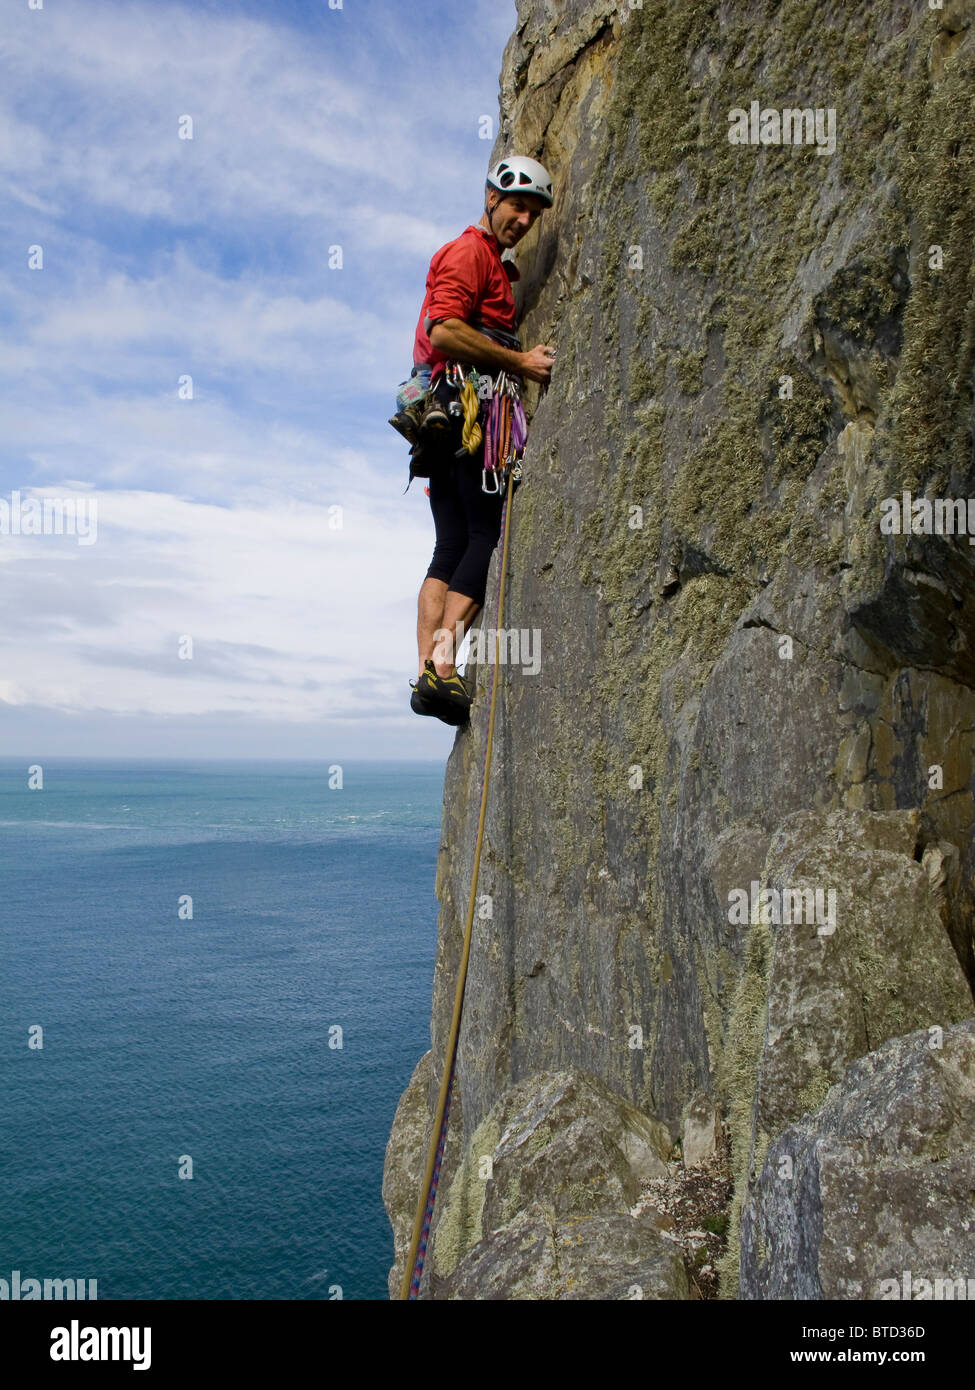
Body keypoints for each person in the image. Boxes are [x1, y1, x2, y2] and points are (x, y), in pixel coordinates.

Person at [407, 155, 558, 725]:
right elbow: (443, 328)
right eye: (517, 205)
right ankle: (445, 670)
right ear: (491, 198)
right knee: (482, 532)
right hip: (471, 412)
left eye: (533, 213)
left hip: (441, 418)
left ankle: (429, 671)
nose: (524, 219)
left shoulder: (488, 259)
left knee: (448, 546)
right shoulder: (470, 252)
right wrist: (520, 359)